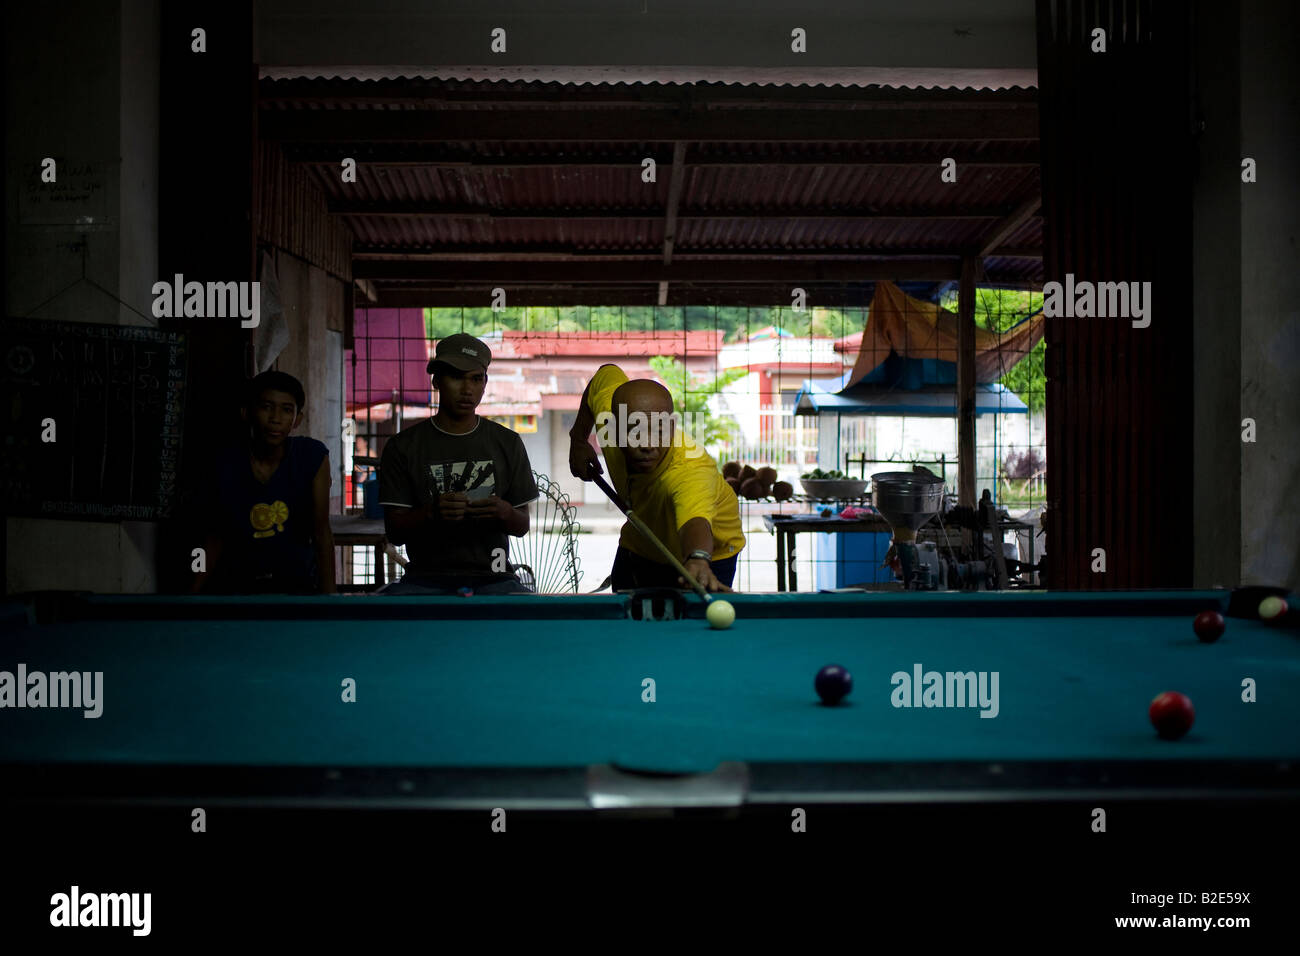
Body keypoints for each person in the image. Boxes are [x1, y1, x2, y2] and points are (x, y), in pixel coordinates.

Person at [378, 333, 538, 594]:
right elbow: (394, 532)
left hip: (494, 577)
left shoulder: (507, 443)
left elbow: (522, 526)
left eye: (476, 379)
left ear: (485, 384)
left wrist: (505, 513)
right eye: (456, 377)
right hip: (424, 578)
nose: (467, 389)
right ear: (436, 381)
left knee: (534, 621)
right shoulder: (403, 446)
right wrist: (432, 513)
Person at [568, 364, 744, 592]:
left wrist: (699, 558)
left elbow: (696, 520)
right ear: (612, 429)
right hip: (642, 536)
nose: (647, 445)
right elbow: (605, 374)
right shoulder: (609, 420)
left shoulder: (690, 468)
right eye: (634, 432)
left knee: (688, 623)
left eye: (659, 431)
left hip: (709, 553)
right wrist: (578, 439)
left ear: (672, 426)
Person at [195, 370, 335, 594]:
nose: (275, 418)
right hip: (236, 586)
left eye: (286, 410)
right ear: (246, 412)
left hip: (296, 585)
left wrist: (331, 599)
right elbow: (212, 535)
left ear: (297, 419)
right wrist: (191, 594)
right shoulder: (225, 460)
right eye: (266, 407)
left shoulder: (311, 456)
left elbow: (321, 532)